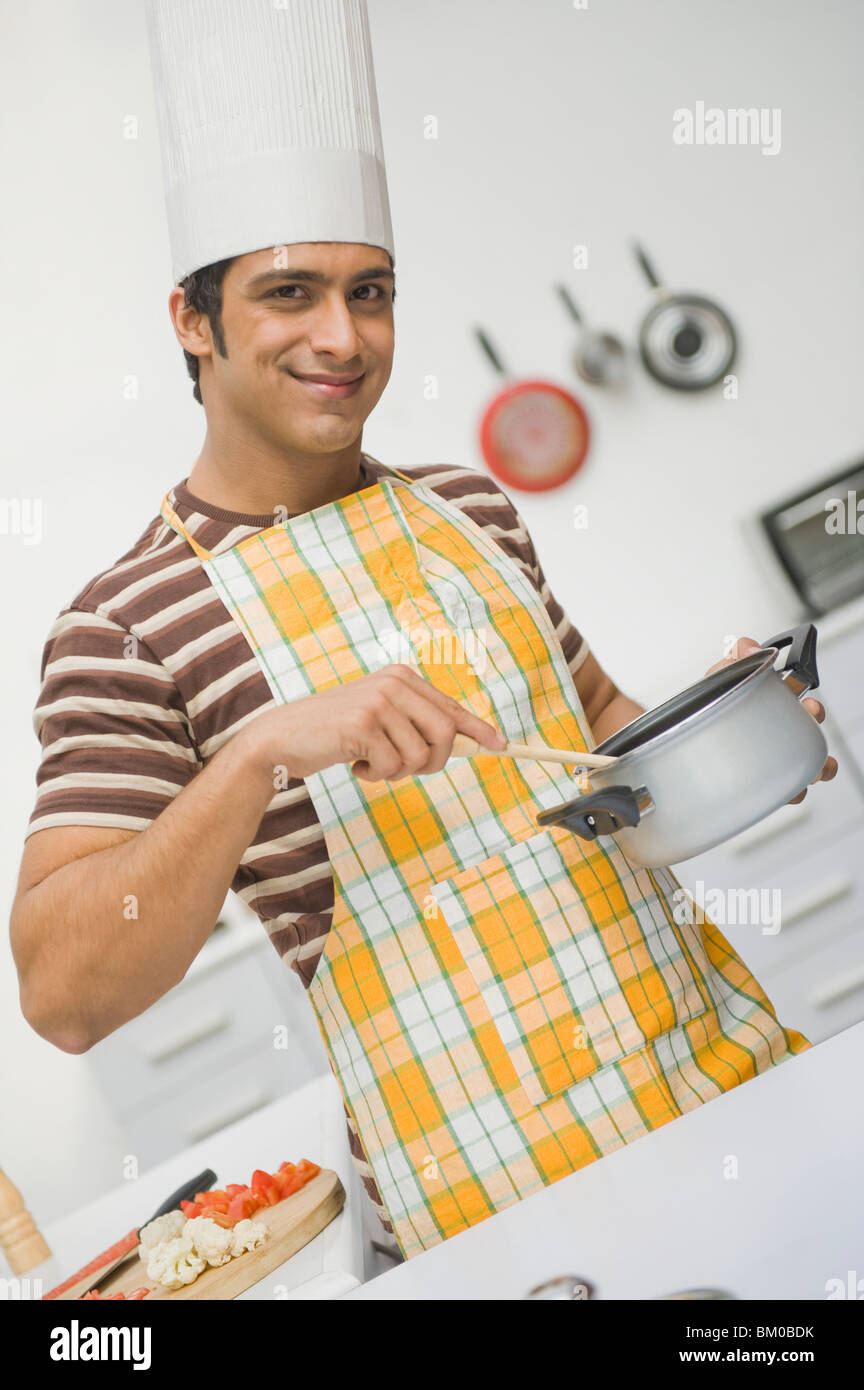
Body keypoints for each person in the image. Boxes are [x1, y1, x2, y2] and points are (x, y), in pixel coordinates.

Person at [9, 0, 837, 1260]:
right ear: (192, 319)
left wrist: (730, 731)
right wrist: (255, 755)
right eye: (288, 294)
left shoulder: (469, 506)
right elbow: (65, 994)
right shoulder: (125, 626)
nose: (342, 338)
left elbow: (600, 749)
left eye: (370, 292)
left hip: (720, 1079)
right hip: (495, 1217)